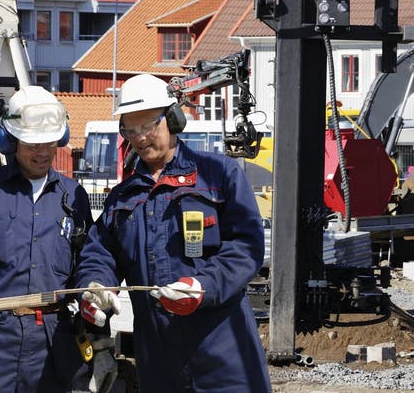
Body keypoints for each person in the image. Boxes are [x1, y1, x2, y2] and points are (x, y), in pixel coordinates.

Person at [75, 73, 272, 393]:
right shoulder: (123, 198)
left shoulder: (220, 176)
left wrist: (203, 286)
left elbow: (246, 247)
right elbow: (100, 252)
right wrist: (95, 285)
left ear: (173, 119)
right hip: (160, 366)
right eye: (130, 129)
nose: (140, 138)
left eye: (149, 125)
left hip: (225, 361)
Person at [0, 85, 94, 393]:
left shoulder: (74, 196)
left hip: (53, 346)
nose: (42, 152)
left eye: (49, 142)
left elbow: (88, 265)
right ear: (10, 141)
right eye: (32, 143)